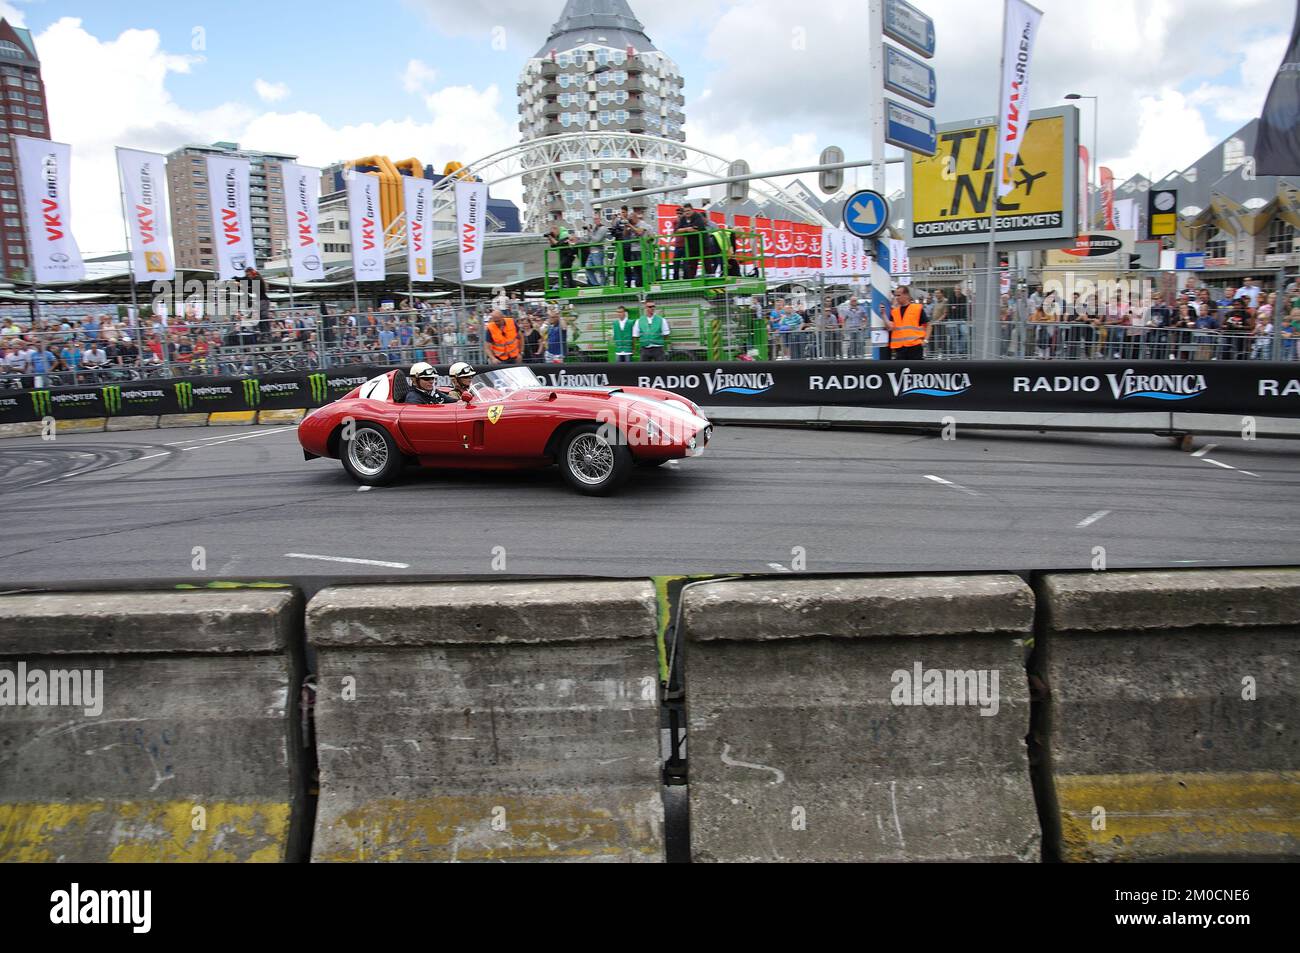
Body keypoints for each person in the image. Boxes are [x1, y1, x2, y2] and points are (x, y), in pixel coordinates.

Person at [884, 285, 927, 360]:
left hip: (915, 347)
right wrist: (883, 314)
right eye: (895, 295)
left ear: (906, 295)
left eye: (898, 295)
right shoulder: (894, 311)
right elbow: (890, 327)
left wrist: (926, 340)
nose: (896, 297)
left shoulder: (917, 308)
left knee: (916, 371)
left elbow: (928, 325)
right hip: (900, 348)